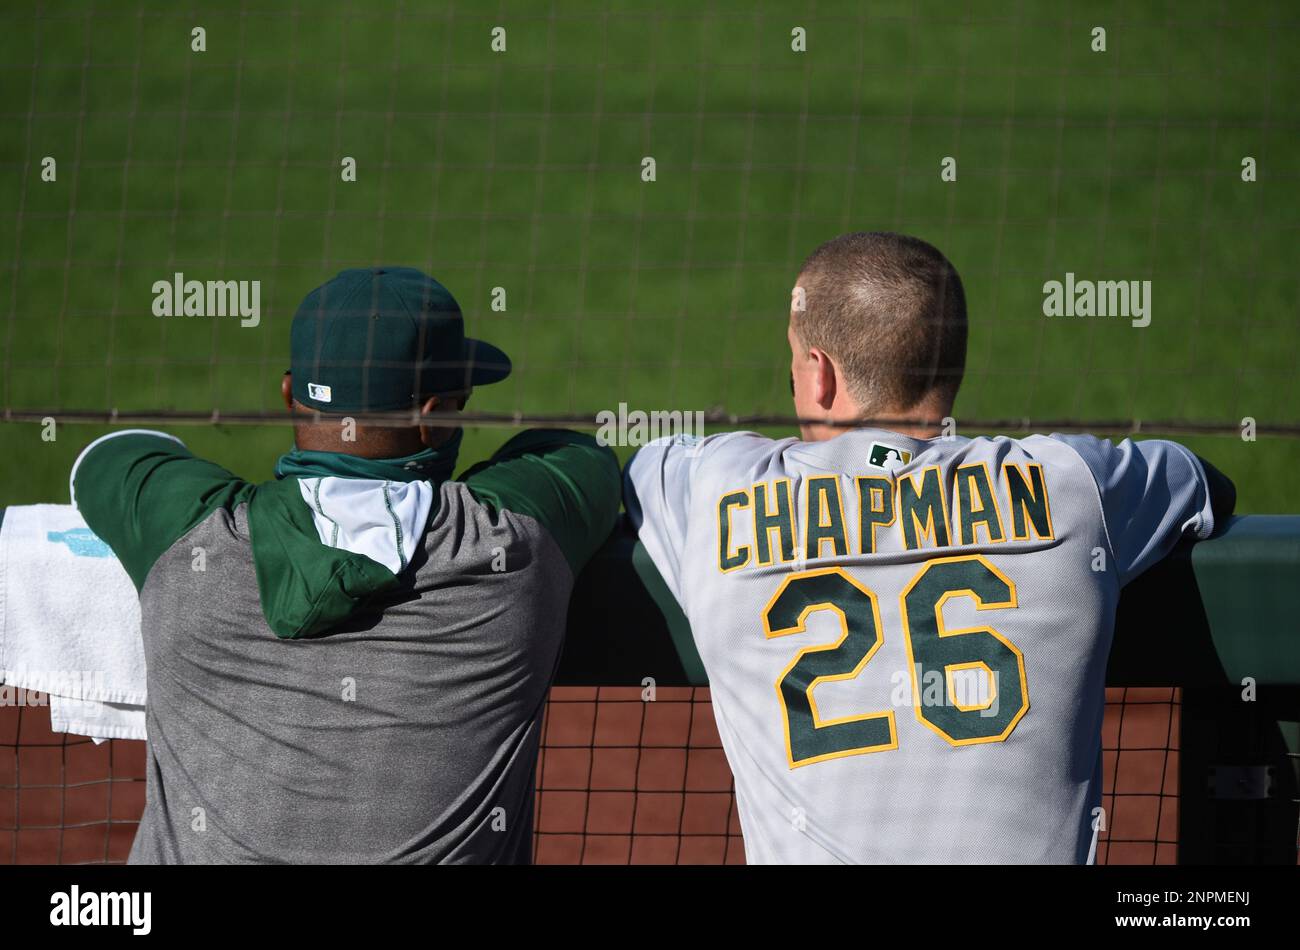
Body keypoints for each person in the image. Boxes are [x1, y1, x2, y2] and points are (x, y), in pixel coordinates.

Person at [624, 232, 1235, 864]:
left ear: (821, 374)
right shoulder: (1076, 484)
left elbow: (645, 467)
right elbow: (1202, 485)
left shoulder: (716, 492)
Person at [72, 266, 620, 863]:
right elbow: (577, 456)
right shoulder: (509, 545)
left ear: (288, 393)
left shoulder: (187, 536)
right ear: (433, 416)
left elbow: (113, 456)